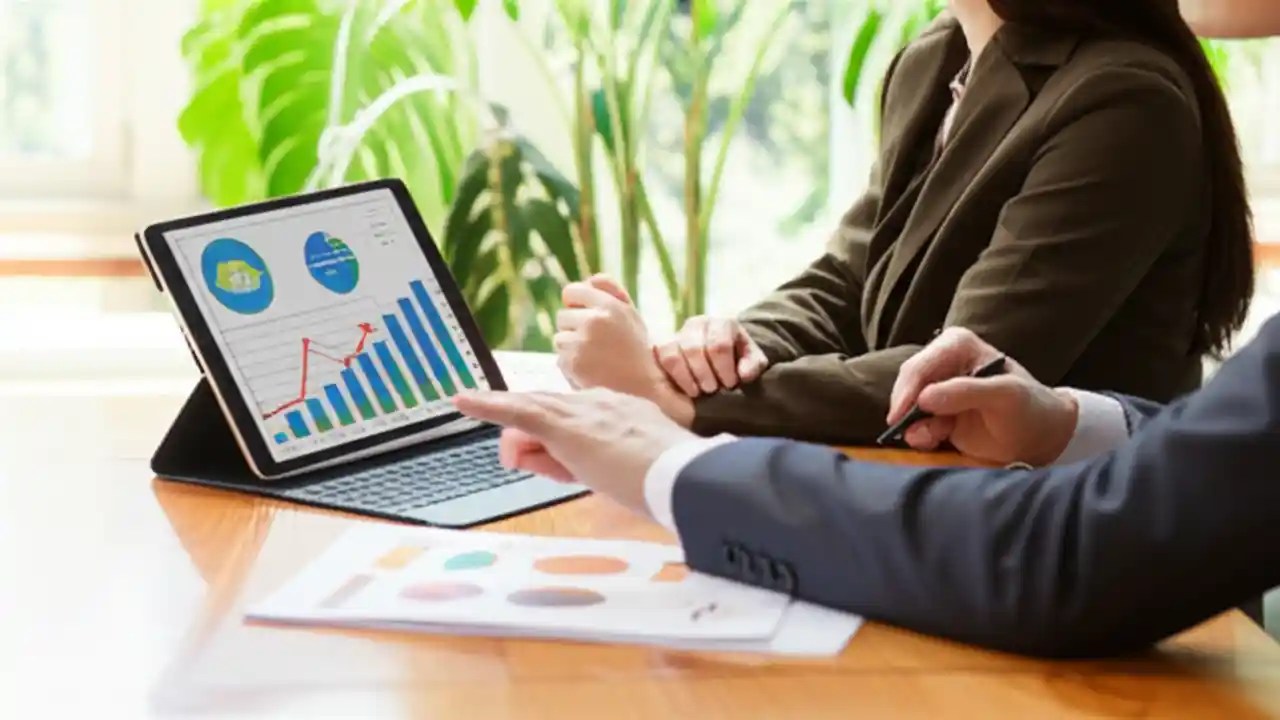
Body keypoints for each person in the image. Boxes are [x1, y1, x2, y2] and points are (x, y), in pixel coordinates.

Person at [553, 0, 1256, 444]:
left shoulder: (1123, 101)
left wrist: (675, 401)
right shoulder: (939, 57)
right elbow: (846, 278)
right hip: (931, 500)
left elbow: (960, 377)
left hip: (1068, 541)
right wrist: (718, 354)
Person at [452, 312, 1280, 658]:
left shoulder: (1124, 95)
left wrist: (680, 465)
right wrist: (1072, 424)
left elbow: (1069, 557)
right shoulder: (929, 65)